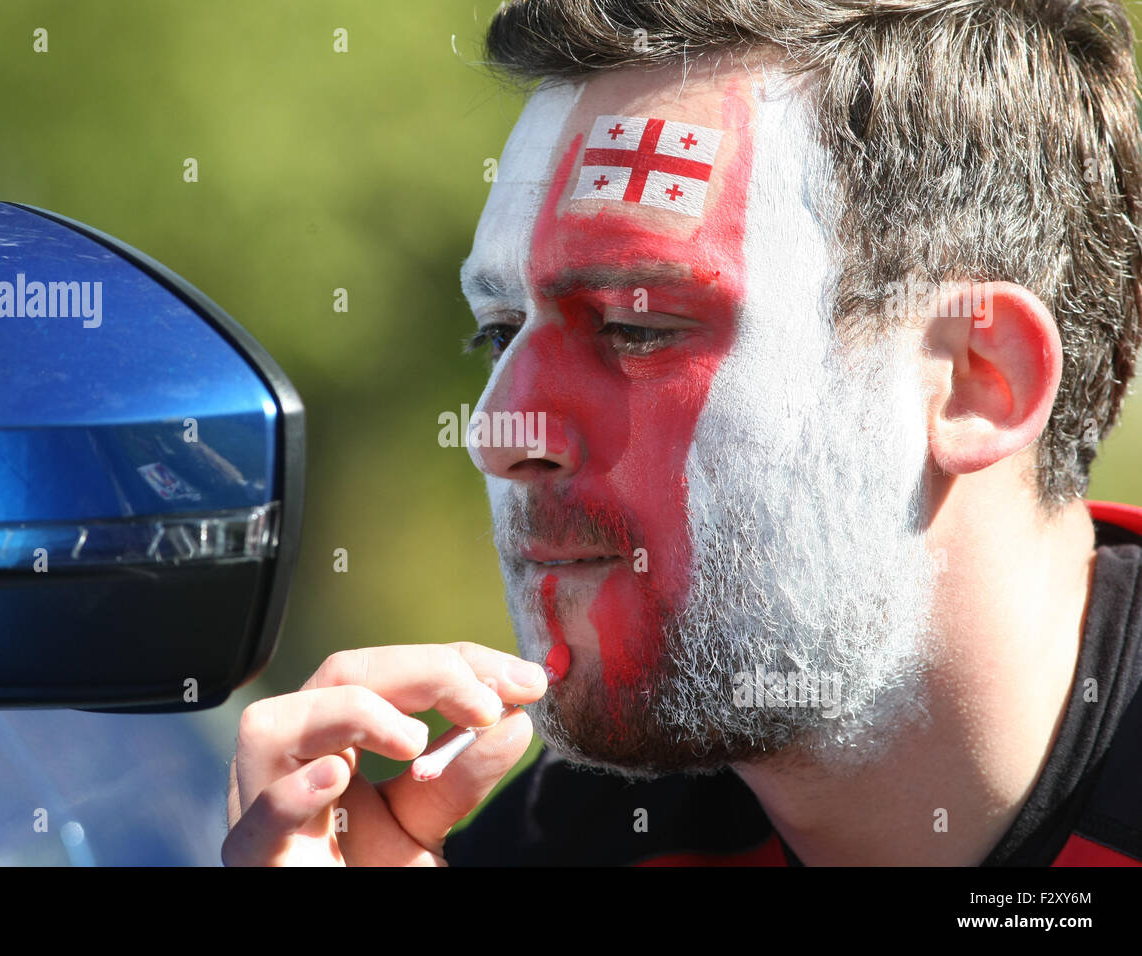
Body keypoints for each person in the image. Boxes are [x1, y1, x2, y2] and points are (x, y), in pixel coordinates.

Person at [221, 0, 1142, 866]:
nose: (498, 430)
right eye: (498, 333)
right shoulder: (569, 839)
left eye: (639, 328)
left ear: (979, 382)